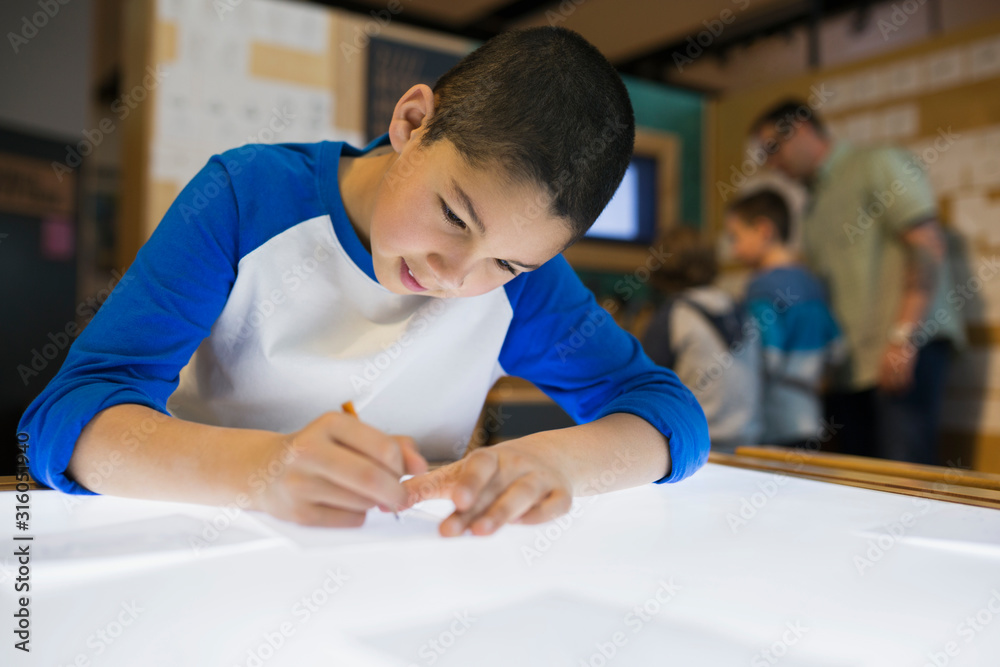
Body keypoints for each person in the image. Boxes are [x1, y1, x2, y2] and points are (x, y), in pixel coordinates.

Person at [18, 28, 709, 537]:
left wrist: (558, 459)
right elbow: (64, 421)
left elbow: (670, 415)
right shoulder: (246, 196)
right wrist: (263, 469)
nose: (453, 275)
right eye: (453, 215)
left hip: (395, 570)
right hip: (208, 548)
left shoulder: (523, 285)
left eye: (506, 262)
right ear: (412, 121)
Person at [748, 99, 964, 464]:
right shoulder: (813, 203)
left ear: (800, 128)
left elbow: (926, 243)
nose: (772, 163)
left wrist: (903, 338)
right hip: (853, 366)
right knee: (859, 485)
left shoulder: (875, 163)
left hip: (903, 347)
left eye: (773, 148)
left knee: (904, 483)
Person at [724, 188, 845, 447]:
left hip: (773, 421)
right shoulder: (812, 283)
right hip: (810, 416)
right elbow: (837, 350)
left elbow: (765, 359)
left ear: (763, 230)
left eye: (736, 237)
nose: (734, 250)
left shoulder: (761, 288)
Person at [641, 227, 761, 453]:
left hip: (695, 448)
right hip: (748, 446)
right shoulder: (743, 311)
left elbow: (646, 389)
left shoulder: (673, 315)